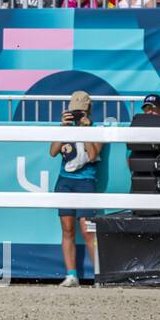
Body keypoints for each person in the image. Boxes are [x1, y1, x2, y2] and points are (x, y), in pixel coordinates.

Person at [50, 90, 101, 287]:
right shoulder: (66, 129)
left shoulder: (96, 130)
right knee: (67, 229)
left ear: (88, 111)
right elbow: (53, 151)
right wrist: (64, 127)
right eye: (75, 112)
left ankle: (98, 276)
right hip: (65, 181)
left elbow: (93, 154)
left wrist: (85, 131)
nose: (78, 115)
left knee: (88, 231)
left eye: (81, 112)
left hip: (85, 182)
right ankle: (71, 274)